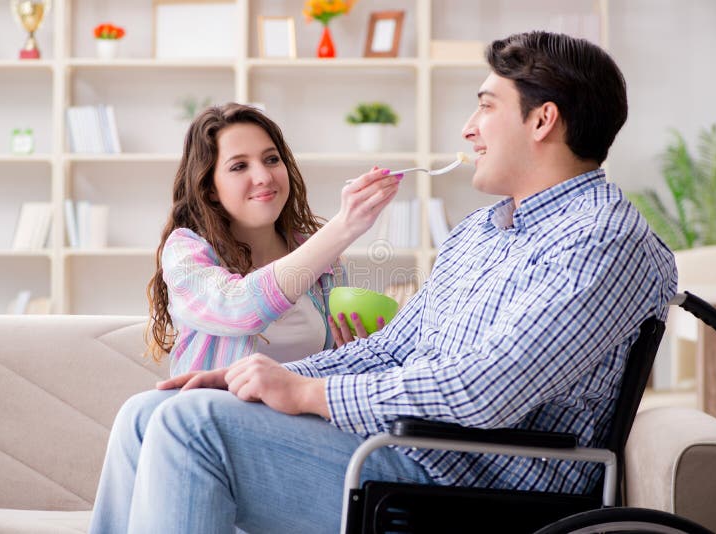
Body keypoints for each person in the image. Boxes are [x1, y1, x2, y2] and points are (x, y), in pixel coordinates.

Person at [89, 32, 677, 534]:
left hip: (470, 485)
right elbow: (394, 348)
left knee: (192, 425)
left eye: (485, 107)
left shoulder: (603, 240)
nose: (469, 130)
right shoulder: (482, 231)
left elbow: (485, 390)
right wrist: (257, 378)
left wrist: (309, 395)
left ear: (543, 119)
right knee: (150, 411)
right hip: (408, 454)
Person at [144, 103, 401, 378]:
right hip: (218, 413)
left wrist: (354, 355)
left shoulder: (323, 261)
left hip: (300, 417)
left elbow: (331, 375)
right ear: (209, 189)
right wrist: (343, 227)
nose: (264, 177)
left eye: (271, 159)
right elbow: (237, 307)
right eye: (239, 166)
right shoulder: (185, 250)